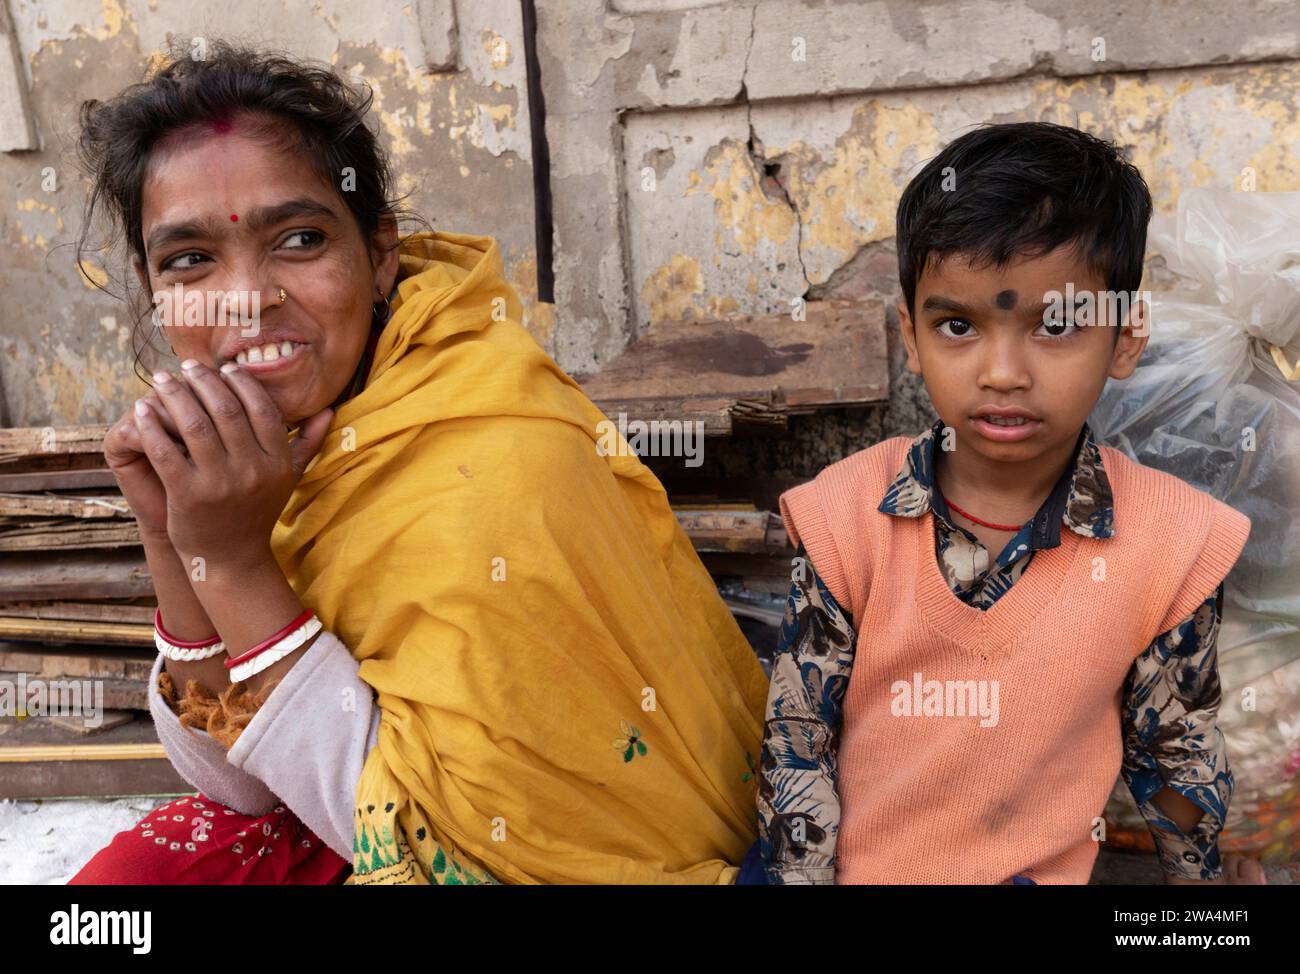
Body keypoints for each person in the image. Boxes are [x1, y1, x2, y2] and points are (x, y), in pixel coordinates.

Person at [69, 39, 766, 885]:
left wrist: (242, 561)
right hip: (363, 798)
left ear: (380, 255)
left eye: (297, 239)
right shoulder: (263, 447)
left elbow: (435, 851)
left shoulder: (491, 454)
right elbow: (240, 786)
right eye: (190, 260)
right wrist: (174, 535)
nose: (247, 297)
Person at [756, 121, 1268, 885]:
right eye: (957, 325)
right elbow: (799, 742)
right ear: (912, 332)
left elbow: (1176, 752)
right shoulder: (848, 516)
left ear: (1125, 336)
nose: (1002, 372)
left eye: (1054, 326)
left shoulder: (1171, 542)